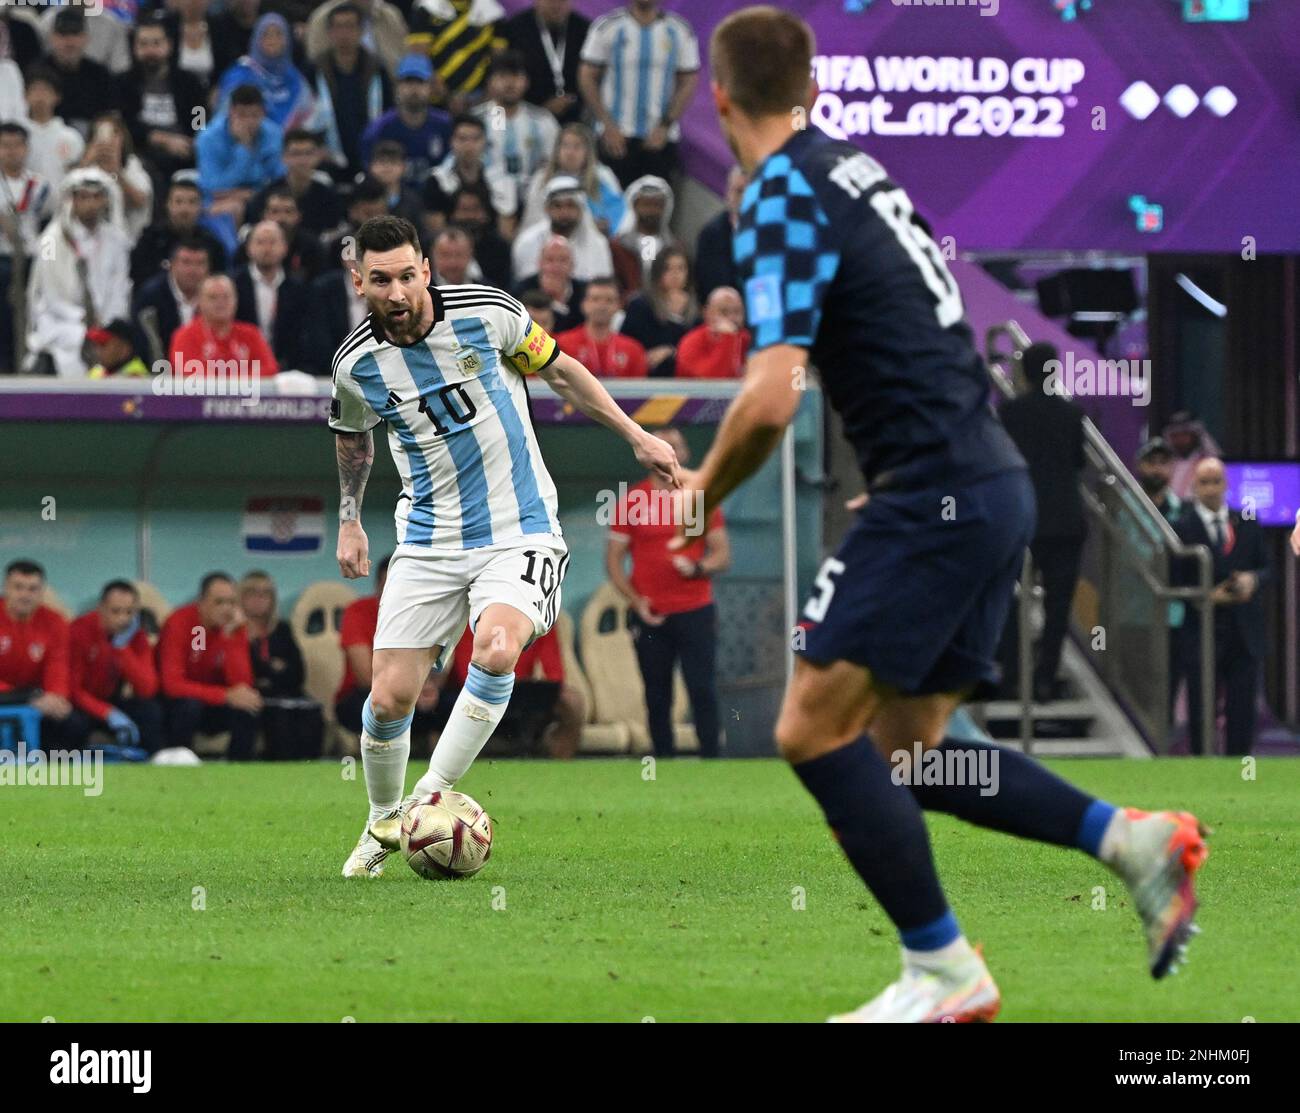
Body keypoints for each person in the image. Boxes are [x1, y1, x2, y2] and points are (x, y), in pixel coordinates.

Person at [686, 7, 1207, 1022]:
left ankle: (942, 969)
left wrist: (691, 499)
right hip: (979, 478)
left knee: (808, 728)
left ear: (717, 98)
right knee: (913, 747)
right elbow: (925, 330)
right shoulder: (861, 174)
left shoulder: (782, 189)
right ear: (816, 87)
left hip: (937, 487)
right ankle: (1126, 839)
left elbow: (769, 394)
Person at [330, 214, 679, 877]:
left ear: (427, 270)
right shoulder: (355, 362)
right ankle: (382, 822)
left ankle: (429, 800)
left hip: (518, 527)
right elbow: (352, 434)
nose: (397, 293)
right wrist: (350, 516)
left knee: (495, 646)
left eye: (408, 276)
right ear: (359, 282)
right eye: (381, 281)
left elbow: (564, 372)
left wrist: (635, 434)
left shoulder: (489, 315)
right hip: (429, 536)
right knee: (387, 699)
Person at [608, 427, 729, 757]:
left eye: (676, 447)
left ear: (685, 455)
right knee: (656, 691)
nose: (670, 453)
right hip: (651, 614)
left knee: (701, 686)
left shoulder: (698, 499)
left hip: (695, 610)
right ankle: (663, 761)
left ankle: (712, 760)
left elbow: (721, 554)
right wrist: (635, 601)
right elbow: (614, 562)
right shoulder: (633, 500)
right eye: (664, 446)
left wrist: (699, 568)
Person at [998, 341, 1087, 704]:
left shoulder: (1009, 412)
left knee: (1009, 600)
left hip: (1020, 520)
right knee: (1058, 605)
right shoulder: (1071, 413)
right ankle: (1045, 678)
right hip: (1065, 521)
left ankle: (1011, 675)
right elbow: (1078, 461)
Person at [1174, 457, 1268, 757]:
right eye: (1204, 482)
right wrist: (1205, 596)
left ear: (1226, 484)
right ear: (1194, 487)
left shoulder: (1248, 522)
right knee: (1202, 707)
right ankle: (1203, 768)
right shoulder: (1181, 528)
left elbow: (1269, 567)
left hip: (1243, 632)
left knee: (1242, 710)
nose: (1212, 488)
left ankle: (1240, 771)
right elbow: (1172, 580)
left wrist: (1253, 580)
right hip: (1202, 630)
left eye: (1216, 481)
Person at [578, 0, 699, 188]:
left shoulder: (680, 30)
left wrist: (665, 125)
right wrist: (607, 124)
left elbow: (688, 80)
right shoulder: (607, 26)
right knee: (611, 206)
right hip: (616, 137)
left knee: (654, 207)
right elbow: (587, 76)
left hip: (659, 138)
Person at [26, 167, 130, 378]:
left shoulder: (116, 240)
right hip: (61, 323)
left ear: (105, 200)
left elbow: (120, 287)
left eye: (96, 197)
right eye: (83, 197)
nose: (90, 204)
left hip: (105, 324)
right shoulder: (50, 241)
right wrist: (86, 324)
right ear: (72, 200)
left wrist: (109, 323)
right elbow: (50, 296)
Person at [336, 555, 442, 752]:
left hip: (416, 693)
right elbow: (365, 677)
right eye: (390, 586)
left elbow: (440, 665)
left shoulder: (424, 612)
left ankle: (439, 772)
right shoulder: (357, 612)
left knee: (446, 703)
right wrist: (411, 690)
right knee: (380, 704)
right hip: (364, 694)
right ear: (378, 586)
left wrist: (428, 688)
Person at [158, 572, 261, 759]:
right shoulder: (179, 622)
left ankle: (240, 775)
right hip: (179, 703)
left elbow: (242, 683)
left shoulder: (233, 628)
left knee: (247, 706)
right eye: (219, 602)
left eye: (231, 602)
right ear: (202, 603)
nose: (227, 609)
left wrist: (231, 639)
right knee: (189, 707)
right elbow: (172, 685)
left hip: (213, 703)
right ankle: (178, 767)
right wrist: (224, 695)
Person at [443, 624, 585, 758]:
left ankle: (559, 766)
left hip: (520, 692)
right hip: (475, 691)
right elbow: (467, 673)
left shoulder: (540, 615)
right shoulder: (474, 615)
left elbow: (555, 674)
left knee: (572, 700)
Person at [68, 581, 163, 753]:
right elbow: (73, 689)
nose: (123, 619)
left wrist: (122, 648)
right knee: (72, 722)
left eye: (129, 612)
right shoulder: (79, 631)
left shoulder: (135, 635)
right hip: (82, 704)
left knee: (150, 711)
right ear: (101, 609)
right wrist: (107, 713)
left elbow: (148, 688)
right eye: (116, 611)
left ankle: (152, 768)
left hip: (111, 699)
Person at [303, 2, 393, 175]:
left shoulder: (377, 69)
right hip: (328, 160)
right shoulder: (314, 70)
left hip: (371, 158)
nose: (344, 33)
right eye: (338, 27)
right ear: (329, 32)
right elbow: (305, 116)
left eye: (350, 26)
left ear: (361, 31)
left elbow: (388, 111)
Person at [240, 571, 322, 760]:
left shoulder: (282, 629)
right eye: (253, 593)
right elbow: (249, 672)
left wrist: (269, 671)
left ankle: (312, 771)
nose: (259, 599)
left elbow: (298, 673)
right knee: (278, 717)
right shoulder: (234, 631)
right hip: (253, 697)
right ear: (241, 597)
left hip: (286, 694)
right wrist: (274, 667)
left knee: (312, 713)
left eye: (265, 594)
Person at [121, 12, 205, 191]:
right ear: (135, 48)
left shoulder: (189, 82)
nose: (150, 51)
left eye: (156, 43)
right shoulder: (123, 83)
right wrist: (160, 139)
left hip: (184, 154)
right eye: (143, 44)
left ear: (169, 45)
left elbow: (200, 115)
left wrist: (195, 139)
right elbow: (123, 122)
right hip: (141, 154)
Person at [0, 559, 75, 747]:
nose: (25, 595)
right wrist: (27, 698)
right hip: (15, 697)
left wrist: (56, 696)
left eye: (32, 589)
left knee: (72, 722)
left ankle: (52, 773)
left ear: (42, 592)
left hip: (36, 699)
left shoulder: (54, 622)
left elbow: (58, 665)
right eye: (18, 587)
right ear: (6, 588)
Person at [471, 50, 559, 205]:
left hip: (534, 201)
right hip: (484, 199)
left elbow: (554, 163)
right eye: (503, 76)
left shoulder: (543, 121)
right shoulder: (476, 120)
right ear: (490, 81)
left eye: (516, 76)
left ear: (526, 81)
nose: (510, 83)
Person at [0, 121, 51, 373]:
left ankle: (28, 364)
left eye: (16, 145)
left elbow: (49, 224)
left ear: (26, 148)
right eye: (5, 146)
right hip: (2, 260)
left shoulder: (39, 184)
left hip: (30, 259)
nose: (11, 151)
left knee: (29, 317)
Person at [196, 84, 285, 228]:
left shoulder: (274, 134)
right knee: (234, 208)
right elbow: (214, 187)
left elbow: (279, 177)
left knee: (283, 206)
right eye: (242, 115)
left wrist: (253, 194)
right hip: (216, 201)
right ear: (230, 112)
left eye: (255, 115)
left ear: (263, 113)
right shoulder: (208, 138)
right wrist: (244, 148)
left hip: (261, 196)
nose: (248, 122)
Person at [359, 53, 452, 185]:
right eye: (408, 82)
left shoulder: (445, 125)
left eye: (420, 82)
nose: (414, 89)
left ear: (430, 87)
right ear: (397, 87)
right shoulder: (379, 129)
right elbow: (370, 172)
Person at [423, 114, 517, 240]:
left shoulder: (502, 181)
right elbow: (435, 232)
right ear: (451, 142)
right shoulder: (436, 180)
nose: (469, 146)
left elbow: (506, 233)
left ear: (484, 142)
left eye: (475, 139)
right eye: (462, 139)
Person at [216, 12, 315, 131]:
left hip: (291, 146)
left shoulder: (295, 78)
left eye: (278, 34)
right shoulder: (240, 74)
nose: (272, 40)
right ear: (256, 39)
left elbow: (311, 117)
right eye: (266, 35)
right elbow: (223, 118)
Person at [520, 122, 623, 234]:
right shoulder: (541, 178)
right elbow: (532, 219)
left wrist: (604, 225)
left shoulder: (602, 176)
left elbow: (618, 210)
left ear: (588, 152)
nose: (570, 152)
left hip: (592, 238)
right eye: (565, 146)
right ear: (557, 150)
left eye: (577, 146)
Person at [169, 273, 279, 378]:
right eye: (213, 297)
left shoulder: (251, 334)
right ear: (200, 302)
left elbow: (270, 369)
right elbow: (190, 374)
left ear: (236, 300)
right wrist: (239, 380)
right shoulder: (185, 336)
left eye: (226, 297)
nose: (220, 302)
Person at [234, 220, 310, 370]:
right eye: (260, 242)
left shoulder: (299, 289)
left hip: (287, 369)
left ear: (285, 248)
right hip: (242, 368)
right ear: (248, 248)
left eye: (273, 242)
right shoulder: (234, 285)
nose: (267, 248)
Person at [500, 0, 590, 127]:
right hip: (526, 117)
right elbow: (502, 77)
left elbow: (594, 78)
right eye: (550, 1)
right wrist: (542, 110)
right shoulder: (514, 29)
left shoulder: (585, 29)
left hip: (576, 118)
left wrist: (575, 101)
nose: (556, 5)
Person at [511, 175, 612, 284]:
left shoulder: (598, 244)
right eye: (557, 206)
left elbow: (602, 286)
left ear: (581, 208)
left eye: (570, 205)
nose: (564, 212)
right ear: (547, 209)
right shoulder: (527, 242)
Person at [246, 129, 346, 236]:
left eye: (308, 153)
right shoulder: (266, 195)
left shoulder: (328, 196)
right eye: (296, 154)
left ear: (317, 156)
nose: (302, 160)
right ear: (284, 157)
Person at [131, 179, 227, 287]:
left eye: (192, 202)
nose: (184, 209)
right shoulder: (150, 240)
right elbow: (140, 281)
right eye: (178, 201)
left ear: (200, 207)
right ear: (168, 204)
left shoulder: (212, 244)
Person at [77, 112, 154, 246]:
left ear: (122, 138)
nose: (109, 140)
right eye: (102, 133)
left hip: (126, 238)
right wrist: (85, 163)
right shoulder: (83, 168)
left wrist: (117, 172)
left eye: (115, 133)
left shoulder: (131, 165)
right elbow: (67, 197)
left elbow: (140, 201)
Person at [618, 245, 696, 377]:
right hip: (646, 374)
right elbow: (626, 343)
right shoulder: (640, 306)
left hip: (684, 377)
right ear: (658, 272)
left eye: (681, 268)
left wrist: (672, 351)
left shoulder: (696, 309)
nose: (675, 274)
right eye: (667, 268)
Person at [132, 235, 210, 365]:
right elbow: (144, 345)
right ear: (172, 265)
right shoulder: (150, 297)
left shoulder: (216, 295)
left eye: (200, 263)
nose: (193, 270)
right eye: (186, 263)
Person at [42, 8, 121, 136]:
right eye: (63, 35)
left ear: (85, 38)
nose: (69, 42)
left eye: (75, 34)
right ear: (52, 38)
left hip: (91, 138)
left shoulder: (100, 75)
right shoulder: (39, 72)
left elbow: (110, 115)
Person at [554, 276, 646, 377]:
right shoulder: (562, 345)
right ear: (583, 304)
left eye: (609, 300)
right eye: (595, 299)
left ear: (619, 305)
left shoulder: (633, 350)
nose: (602, 306)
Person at [21, 67, 85, 198]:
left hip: (62, 209)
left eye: (45, 91)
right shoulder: (17, 138)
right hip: (25, 209)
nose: (40, 97)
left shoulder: (71, 137)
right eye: (35, 90)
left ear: (57, 97)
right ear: (25, 96)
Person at [695, 165, 747, 304]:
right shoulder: (712, 235)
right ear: (728, 193)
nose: (744, 198)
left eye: (750, 192)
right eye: (739, 191)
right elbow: (712, 285)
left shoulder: (769, 231)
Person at [614, 175, 676, 289]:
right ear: (634, 206)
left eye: (657, 205)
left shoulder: (674, 248)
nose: (651, 211)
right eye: (646, 204)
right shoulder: (616, 246)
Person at [513, 235, 585, 333]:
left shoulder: (583, 292)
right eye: (550, 260)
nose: (556, 266)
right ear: (539, 263)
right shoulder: (521, 290)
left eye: (562, 260)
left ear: (572, 264)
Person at [675, 286, 749, 379]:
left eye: (737, 312)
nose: (732, 318)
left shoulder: (746, 339)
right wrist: (727, 338)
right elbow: (713, 380)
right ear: (708, 313)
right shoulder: (691, 342)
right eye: (724, 312)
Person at [448, 187, 512, 289]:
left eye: (475, 209)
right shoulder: (434, 244)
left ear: (486, 214)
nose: (470, 216)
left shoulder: (499, 249)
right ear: (453, 214)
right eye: (464, 210)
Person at [1163, 410, 1223, 502]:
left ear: (1195, 435)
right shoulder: (1167, 464)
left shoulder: (1206, 462)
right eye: (1175, 436)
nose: (1180, 440)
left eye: (1184, 435)